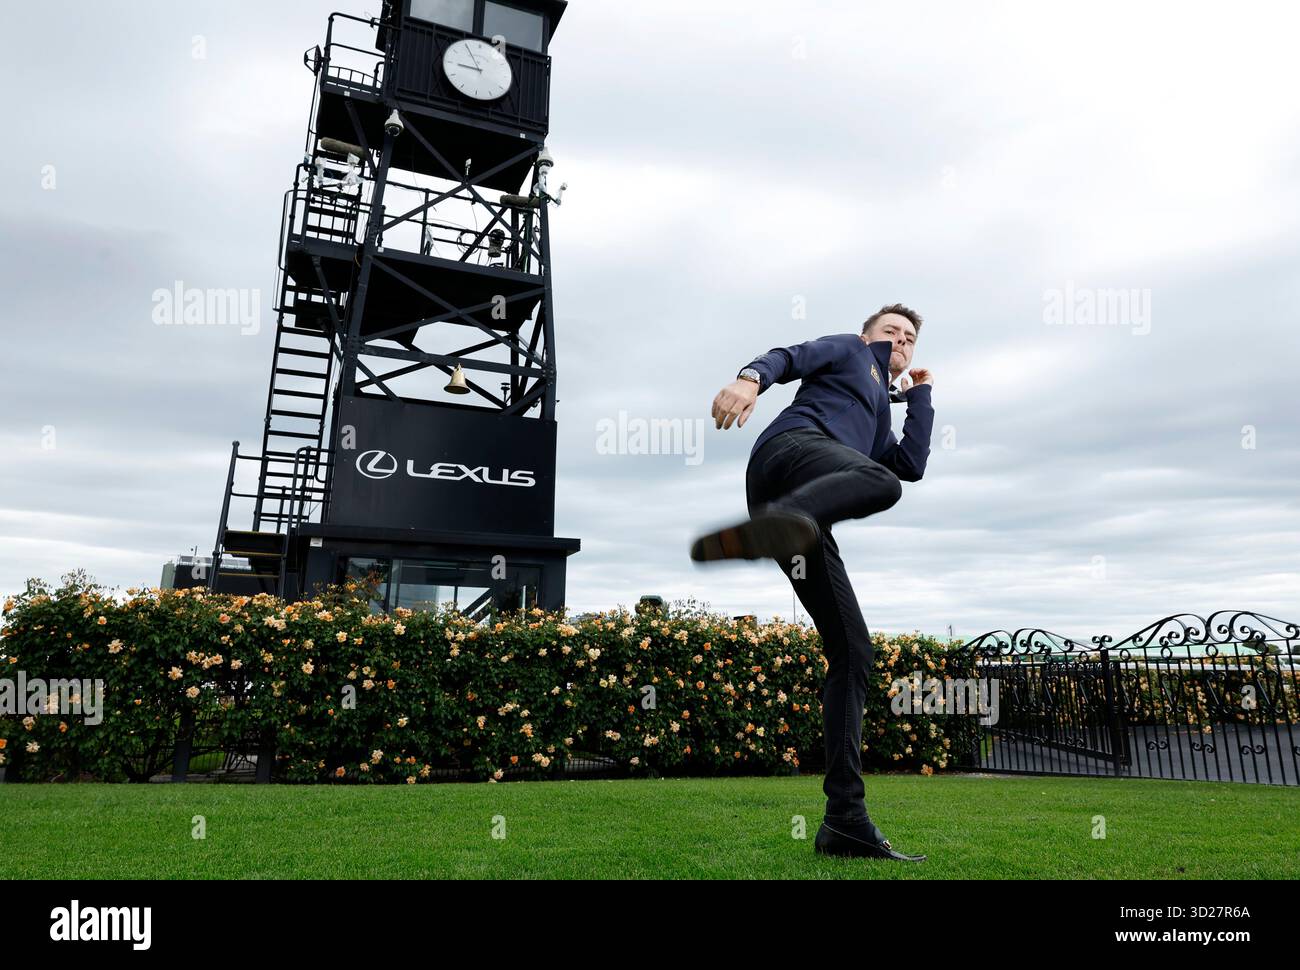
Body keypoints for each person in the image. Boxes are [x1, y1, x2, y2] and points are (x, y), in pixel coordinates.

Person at [691, 304, 935, 862]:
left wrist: (920, 396)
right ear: (869, 335)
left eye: (911, 338)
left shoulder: (878, 413)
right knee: (874, 480)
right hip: (790, 454)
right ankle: (785, 524)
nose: (901, 341)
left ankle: (844, 821)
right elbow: (789, 357)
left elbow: (909, 464)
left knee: (853, 651)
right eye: (891, 331)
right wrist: (748, 380)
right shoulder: (850, 348)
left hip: (806, 507)